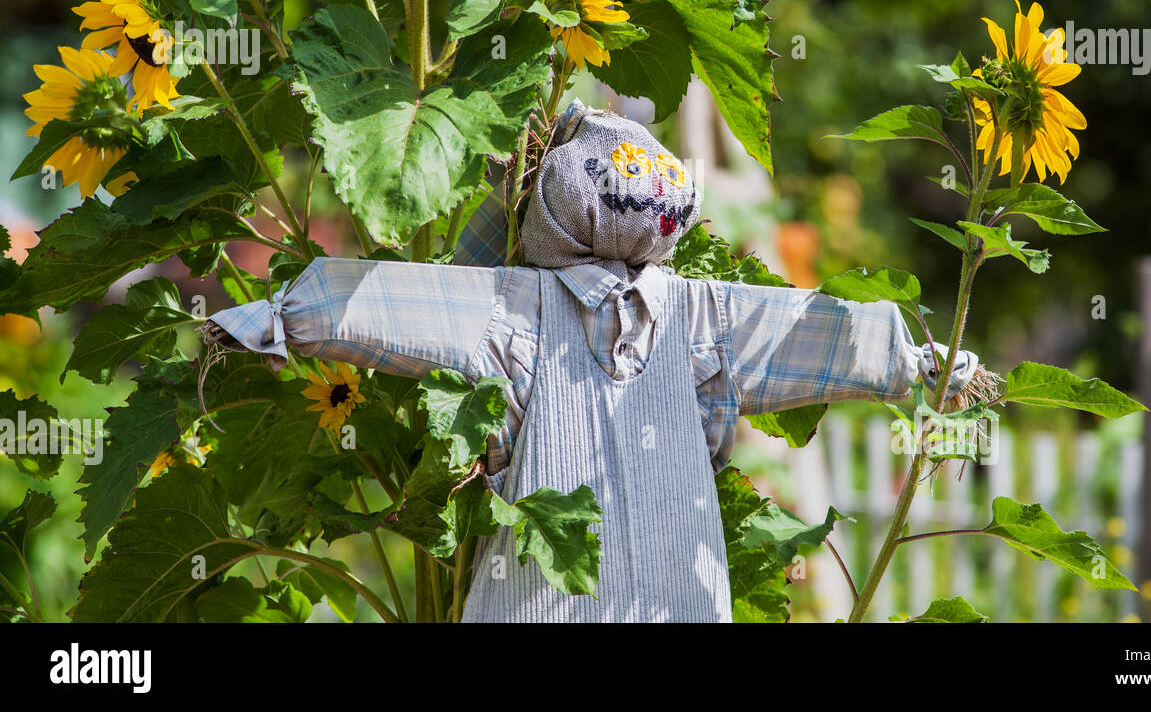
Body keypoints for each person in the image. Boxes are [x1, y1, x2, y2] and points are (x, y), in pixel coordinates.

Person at [202, 100, 981, 622]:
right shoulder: (597, 311)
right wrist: (917, 362)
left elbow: (411, 304)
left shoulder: (648, 310)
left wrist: (278, 319)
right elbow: (798, 333)